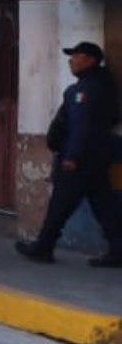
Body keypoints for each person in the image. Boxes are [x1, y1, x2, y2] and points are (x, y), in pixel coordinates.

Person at [18, 42, 122, 266]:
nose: (71, 60)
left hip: (80, 159)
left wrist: (71, 156)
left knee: (60, 205)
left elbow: (80, 126)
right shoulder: (104, 86)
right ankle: (118, 249)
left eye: (77, 56)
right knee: (105, 204)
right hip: (99, 156)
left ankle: (43, 246)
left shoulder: (83, 91)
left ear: (91, 60)